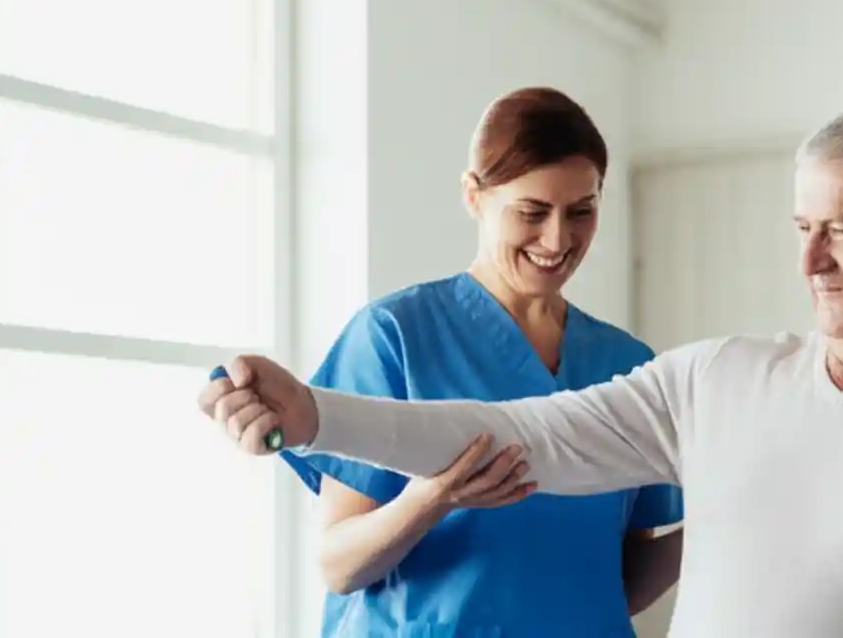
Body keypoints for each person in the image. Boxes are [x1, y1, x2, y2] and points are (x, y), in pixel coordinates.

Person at [201, 103, 843, 637]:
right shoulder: (717, 378)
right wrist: (314, 413)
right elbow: (520, 431)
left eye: (842, 230)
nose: (810, 261)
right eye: (800, 229)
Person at [224, 86, 684, 636]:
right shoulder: (394, 337)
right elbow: (338, 566)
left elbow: (620, 583)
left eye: (581, 212)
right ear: (474, 195)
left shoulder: (626, 364)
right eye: (532, 212)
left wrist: (721, 519)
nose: (557, 238)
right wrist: (435, 497)